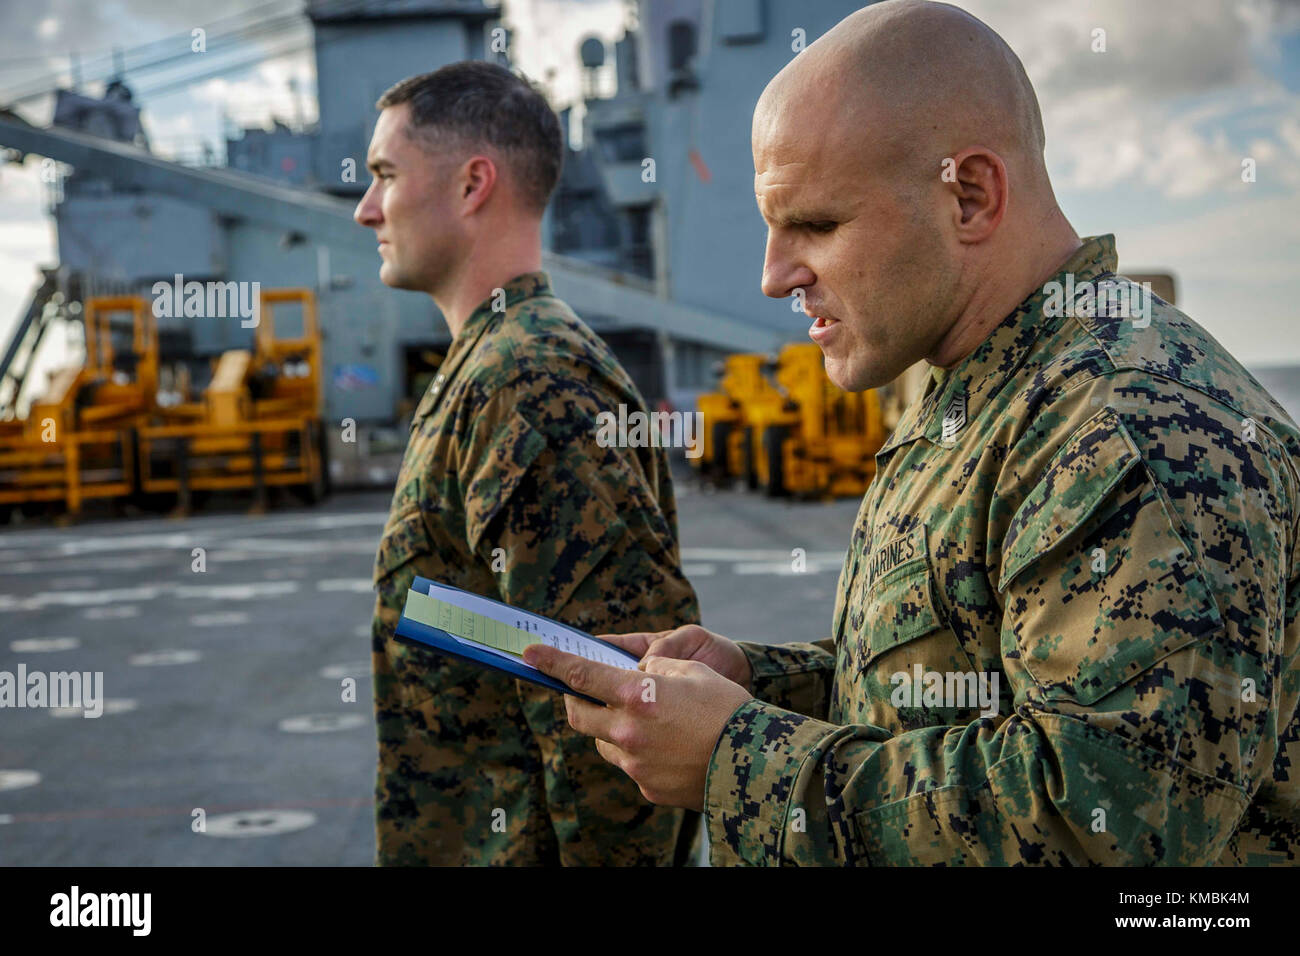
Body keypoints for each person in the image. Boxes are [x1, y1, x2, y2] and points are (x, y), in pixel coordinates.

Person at [527, 0, 1300, 865]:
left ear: (969, 196)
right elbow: (977, 679)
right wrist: (754, 685)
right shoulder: (992, 387)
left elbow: (1108, 815)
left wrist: (738, 758)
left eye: (815, 225)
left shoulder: (1128, 424)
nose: (775, 275)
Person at [355, 61, 700, 865]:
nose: (367, 208)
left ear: (474, 183)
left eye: (385, 175)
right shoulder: (491, 368)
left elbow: (615, 729)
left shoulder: (529, 381)